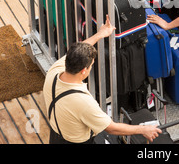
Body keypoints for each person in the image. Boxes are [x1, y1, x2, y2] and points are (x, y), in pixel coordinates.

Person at [43, 15, 162, 144]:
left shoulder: (54, 71)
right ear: (84, 70)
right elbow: (111, 128)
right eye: (91, 65)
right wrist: (143, 130)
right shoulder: (83, 102)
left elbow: (81, 48)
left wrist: (100, 34)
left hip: (57, 134)